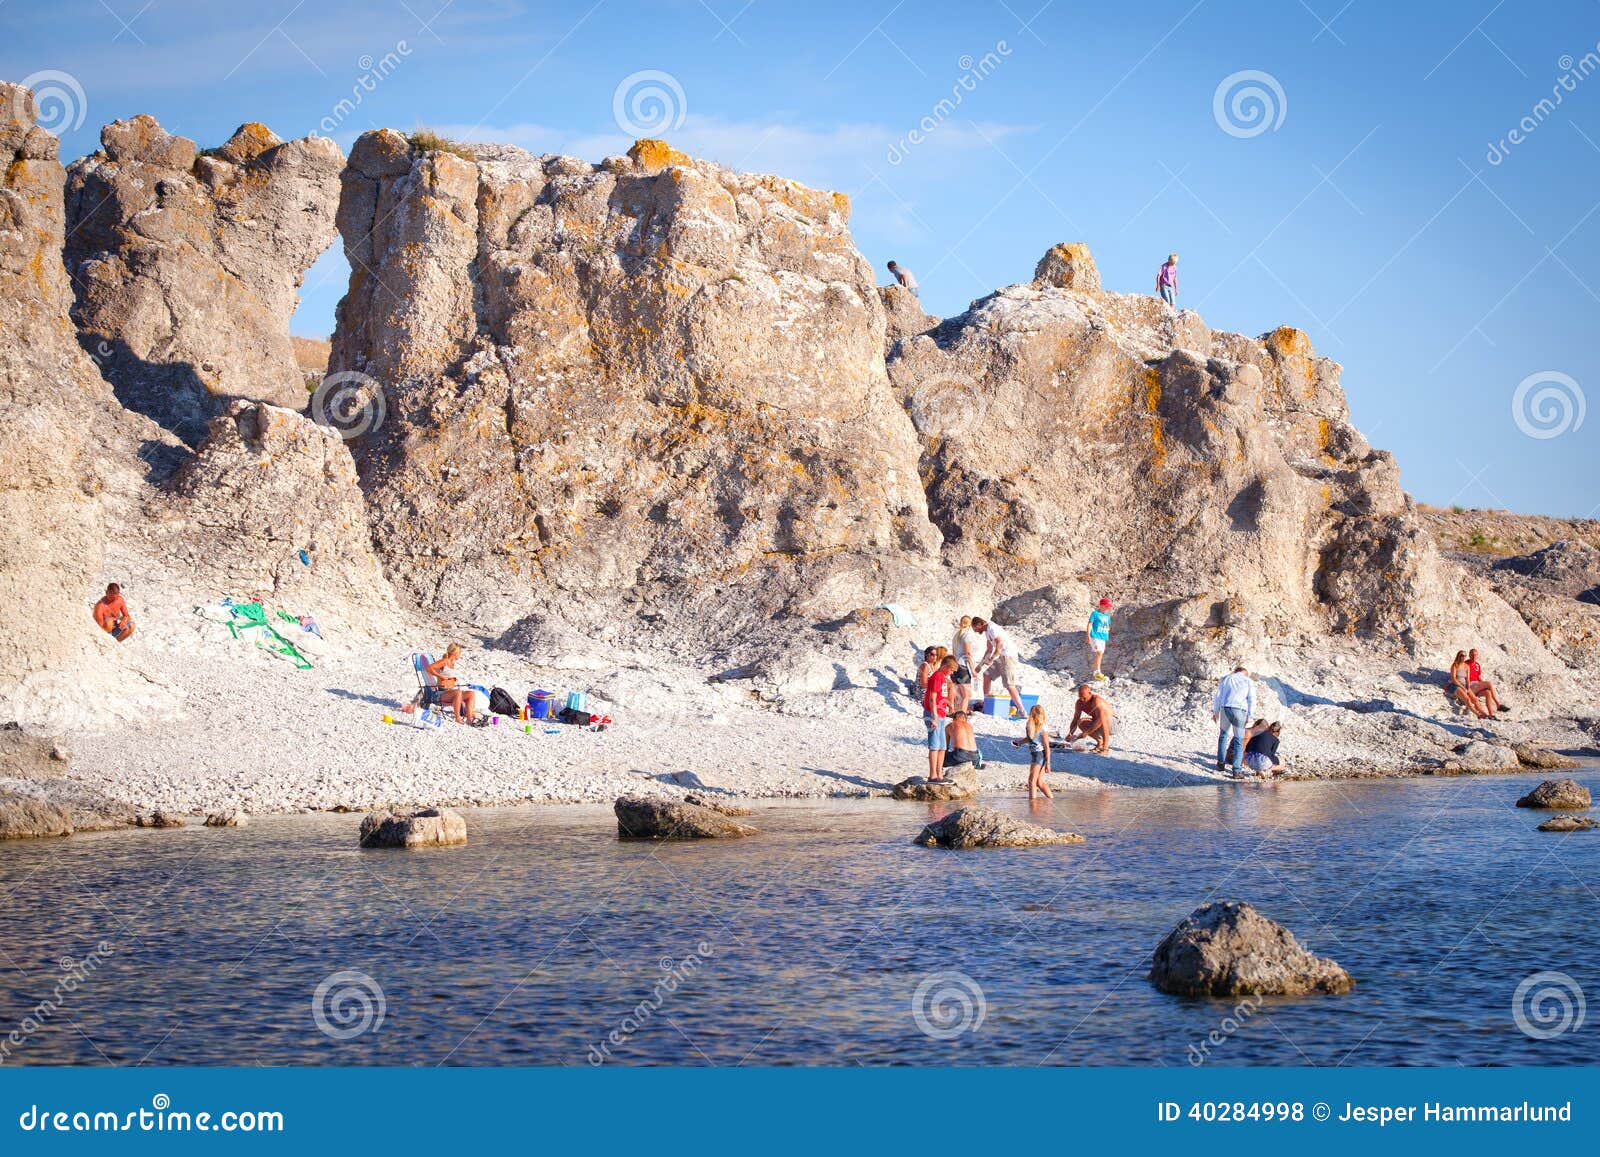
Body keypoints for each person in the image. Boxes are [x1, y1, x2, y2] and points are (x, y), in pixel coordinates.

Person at [972, 616, 1026, 719]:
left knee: (1009, 685)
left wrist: (992, 658)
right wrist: (980, 665)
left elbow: (999, 643)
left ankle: (1022, 710)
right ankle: (987, 703)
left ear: (980, 624)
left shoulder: (992, 628)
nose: (975, 631)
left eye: (975, 628)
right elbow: (989, 649)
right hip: (1000, 657)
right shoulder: (987, 632)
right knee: (986, 675)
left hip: (1008, 657)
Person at [1211, 666, 1256, 775]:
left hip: (1225, 709)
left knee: (1223, 736)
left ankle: (1220, 764)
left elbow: (1218, 696)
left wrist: (1215, 712)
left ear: (1236, 671)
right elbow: (1251, 699)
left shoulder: (1227, 678)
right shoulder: (1248, 680)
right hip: (1239, 711)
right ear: (1245, 673)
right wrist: (1250, 715)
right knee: (1239, 740)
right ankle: (1236, 770)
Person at [922, 654, 958, 780]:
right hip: (933, 714)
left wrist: (950, 706)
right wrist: (934, 717)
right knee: (934, 745)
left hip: (941, 714)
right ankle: (933, 775)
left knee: (942, 746)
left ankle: (940, 774)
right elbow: (932, 699)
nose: (952, 673)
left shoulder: (943, 678)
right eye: (951, 670)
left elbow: (941, 697)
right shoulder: (937, 677)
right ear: (945, 666)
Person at [426, 644, 476, 724]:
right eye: (459, 653)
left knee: (471, 693)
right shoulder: (444, 661)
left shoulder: (452, 663)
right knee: (458, 692)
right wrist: (440, 676)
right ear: (454, 653)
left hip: (451, 692)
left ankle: (469, 718)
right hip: (441, 693)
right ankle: (457, 718)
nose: (460, 655)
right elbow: (429, 668)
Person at [1065, 683, 1114, 754]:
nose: (1082, 700)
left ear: (1090, 693)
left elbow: (1101, 718)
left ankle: (1105, 749)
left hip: (1113, 724)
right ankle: (1100, 742)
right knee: (1081, 722)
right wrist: (1070, 733)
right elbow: (1075, 719)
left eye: (1084, 698)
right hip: (1099, 722)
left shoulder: (1097, 701)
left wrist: (1087, 732)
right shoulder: (1079, 703)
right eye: (1080, 697)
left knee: (1103, 718)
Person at [1447, 651, 1491, 719]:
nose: (1463, 657)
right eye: (1461, 655)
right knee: (1467, 699)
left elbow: (1467, 679)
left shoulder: (1466, 666)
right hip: (1456, 685)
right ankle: (1478, 715)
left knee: (1475, 699)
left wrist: (1467, 687)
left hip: (1465, 685)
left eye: (1464, 656)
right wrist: (1463, 688)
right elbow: (1453, 679)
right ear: (1458, 656)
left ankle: (1485, 714)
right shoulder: (1455, 665)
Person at [951, 616, 980, 714]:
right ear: (970, 624)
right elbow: (968, 654)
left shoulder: (956, 636)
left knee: (958, 694)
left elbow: (954, 652)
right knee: (966, 695)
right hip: (963, 666)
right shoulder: (967, 635)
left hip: (955, 665)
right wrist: (973, 670)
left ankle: (956, 713)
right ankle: (961, 715)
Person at [1466, 648, 1508, 714]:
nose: (1474, 657)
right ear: (1469, 655)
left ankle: (1491, 714)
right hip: (1470, 685)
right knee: (1489, 683)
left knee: (1488, 692)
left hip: (1477, 685)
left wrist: (1483, 684)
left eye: (1475, 655)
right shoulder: (1465, 664)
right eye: (1472, 655)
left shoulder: (1477, 665)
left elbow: (1478, 677)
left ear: (1477, 656)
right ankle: (1498, 704)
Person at [1023, 704, 1052, 800]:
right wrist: (1019, 742)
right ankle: (1051, 799)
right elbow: (1030, 738)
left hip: (1040, 755)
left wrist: (1048, 763)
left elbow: (1047, 747)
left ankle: (1032, 804)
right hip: (1035, 754)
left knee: (1032, 781)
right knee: (1039, 782)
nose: (1030, 716)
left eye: (1031, 715)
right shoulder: (1029, 725)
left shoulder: (1043, 728)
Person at [1086, 597, 1113, 680]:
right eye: (1106, 606)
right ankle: (1096, 672)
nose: (1108, 608)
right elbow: (1090, 624)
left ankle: (1097, 672)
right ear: (1101, 606)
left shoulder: (1108, 616)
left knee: (1100, 654)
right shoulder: (1095, 614)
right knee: (1099, 652)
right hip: (1095, 636)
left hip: (1103, 638)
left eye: (1109, 607)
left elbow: (1108, 626)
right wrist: (1088, 635)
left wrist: (1109, 638)